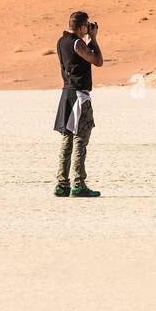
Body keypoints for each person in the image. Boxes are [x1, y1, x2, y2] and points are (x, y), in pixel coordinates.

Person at [53, 11, 103, 197]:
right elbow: (97, 61)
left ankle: (62, 184)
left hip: (66, 94)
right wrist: (94, 39)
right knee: (80, 139)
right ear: (82, 27)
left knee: (67, 139)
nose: (88, 29)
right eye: (87, 26)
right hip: (79, 96)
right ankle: (78, 184)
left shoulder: (61, 42)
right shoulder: (78, 43)